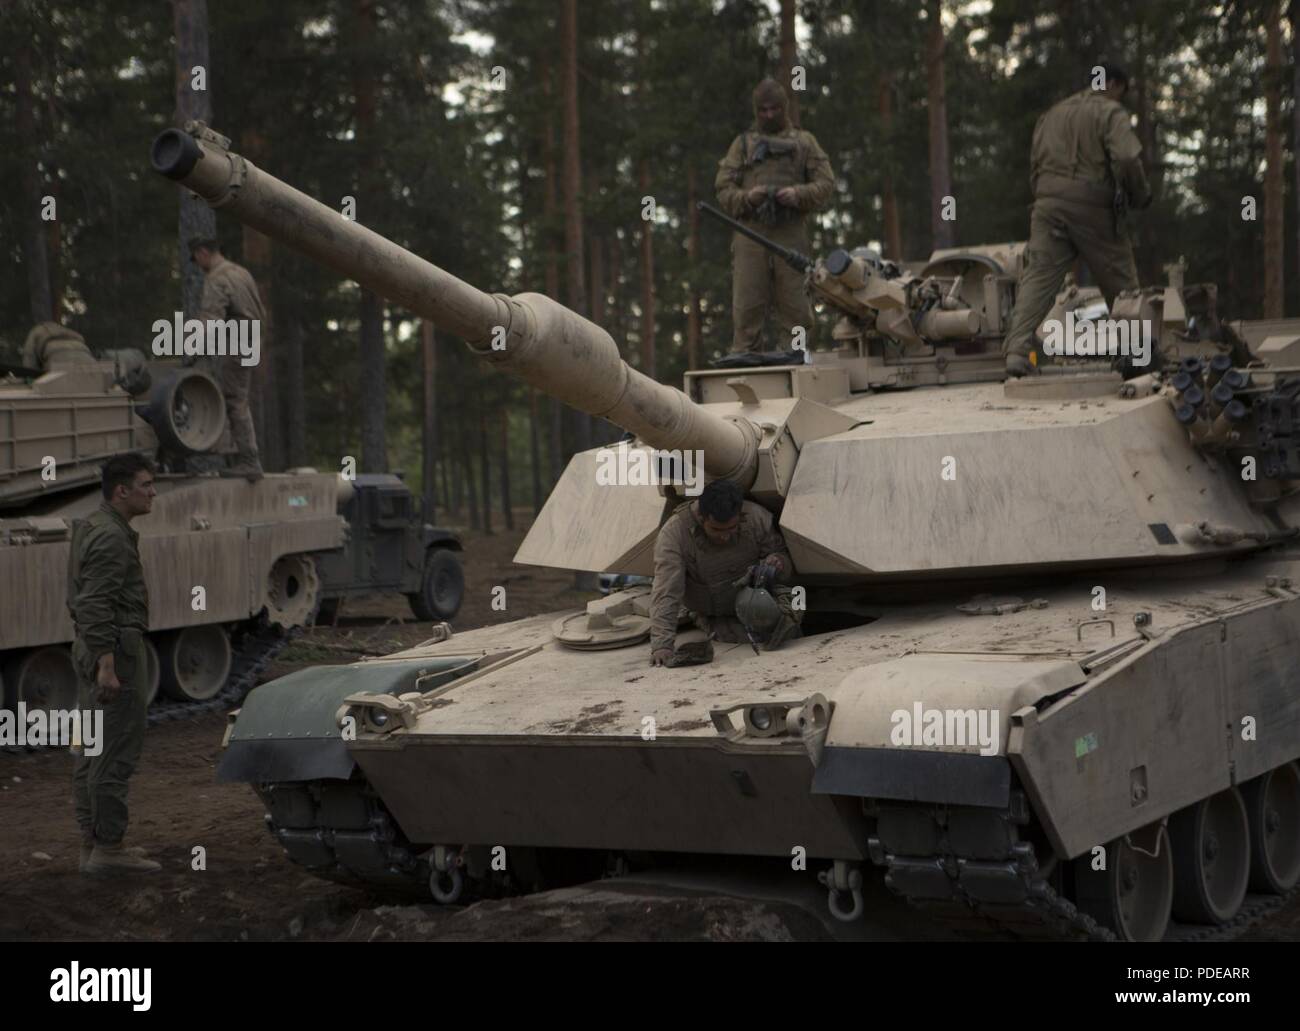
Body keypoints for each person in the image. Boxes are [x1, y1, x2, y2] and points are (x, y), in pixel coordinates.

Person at [1003, 62, 1152, 377]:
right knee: (1122, 282)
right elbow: (1126, 158)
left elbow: (1035, 167)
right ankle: (1136, 356)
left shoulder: (1052, 115)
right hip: (1092, 206)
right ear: (1112, 84)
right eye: (1120, 91)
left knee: (1038, 277)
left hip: (1047, 206)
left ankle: (1017, 351)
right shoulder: (1110, 113)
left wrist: (1049, 199)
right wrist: (1138, 195)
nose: (1119, 98)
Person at [69, 452, 160, 875]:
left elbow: (82, 600)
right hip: (115, 650)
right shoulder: (110, 537)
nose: (153, 491)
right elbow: (94, 601)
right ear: (122, 491)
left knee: (89, 746)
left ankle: (93, 844)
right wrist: (108, 663)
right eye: (146, 484)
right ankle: (109, 848)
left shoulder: (94, 525)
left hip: (93, 646)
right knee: (114, 746)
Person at [715, 77, 835, 354]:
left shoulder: (805, 142)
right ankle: (745, 365)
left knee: (796, 308)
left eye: (775, 109)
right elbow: (722, 188)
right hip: (750, 233)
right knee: (746, 307)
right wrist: (748, 197)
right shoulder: (742, 145)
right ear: (756, 111)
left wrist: (798, 194)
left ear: (785, 108)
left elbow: (826, 184)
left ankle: (794, 362)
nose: (769, 115)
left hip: (790, 233)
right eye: (763, 110)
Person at [649, 479, 801, 666]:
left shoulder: (756, 518)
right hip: (713, 614)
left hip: (758, 605)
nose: (725, 536)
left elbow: (786, 563)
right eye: (716, 529)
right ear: (701, 517)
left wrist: (778, 562)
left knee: (787, 626)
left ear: (740, 514)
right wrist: (661, 645)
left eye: (732, 528)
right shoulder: (675, 534)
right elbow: (666, 590)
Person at [188, 236, 266, 478]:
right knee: (236, 396)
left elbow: (210, 320)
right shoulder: (241, 273)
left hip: (238, 341)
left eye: (196, 259)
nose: (197, 264)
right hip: (251, 338)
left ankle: (248, 461)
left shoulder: (217, 278)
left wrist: (192, 350)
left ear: (202, 253)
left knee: (234, 400)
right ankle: (241, 458)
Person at [20, 322, 94, 371]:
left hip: (57, 364)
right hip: (89, 361)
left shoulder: (35, 332)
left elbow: (29, 363)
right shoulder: (65, 330)